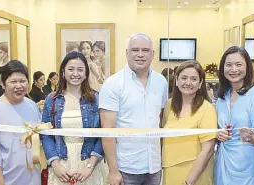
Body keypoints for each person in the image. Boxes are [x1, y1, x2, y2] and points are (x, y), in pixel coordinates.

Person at [100, 33, 168, 185]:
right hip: (126, 168)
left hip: (154, 166)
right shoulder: (113, 84)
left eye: (145, 50)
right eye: (135, 50)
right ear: (126, 53)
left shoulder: (161, 82)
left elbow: (160, 121)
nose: (140, 55)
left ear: (153, 54)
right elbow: (107, 131)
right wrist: (113, 170)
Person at [41, 51, 107, 185]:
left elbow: (104, 134)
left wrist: (90, 166)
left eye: (80, 70)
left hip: (89, 164)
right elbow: (45, 134)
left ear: (86, 74)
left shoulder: (96, 99)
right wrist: (55, 164)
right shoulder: (52, 100)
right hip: (61, 166)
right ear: (63, 72)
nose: (75, 74)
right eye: (71, 69)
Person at [214, 46, 254, 185]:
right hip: (223, 162)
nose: (233, 69)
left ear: (247, 67)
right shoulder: (222, 97)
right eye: (228, 65)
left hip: (245, 164)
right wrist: (217, 134)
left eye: (238, 64)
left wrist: (251, 137)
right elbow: (217, 127)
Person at [0, 60, 41, 185]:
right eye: (13, 82)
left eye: (22, 81)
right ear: (3, 84)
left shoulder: (32, 106)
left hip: (31, 177)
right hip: (4, 179)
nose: (19, 86)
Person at [162, 60, 216, 185]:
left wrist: (189, 181)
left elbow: (207, 150)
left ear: (200, 82)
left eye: (193, 79)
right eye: (184, 78)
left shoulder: (206, 109)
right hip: (170, 173)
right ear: (176, 80)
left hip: (195, 176)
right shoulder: (168, 105)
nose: (188, 83)